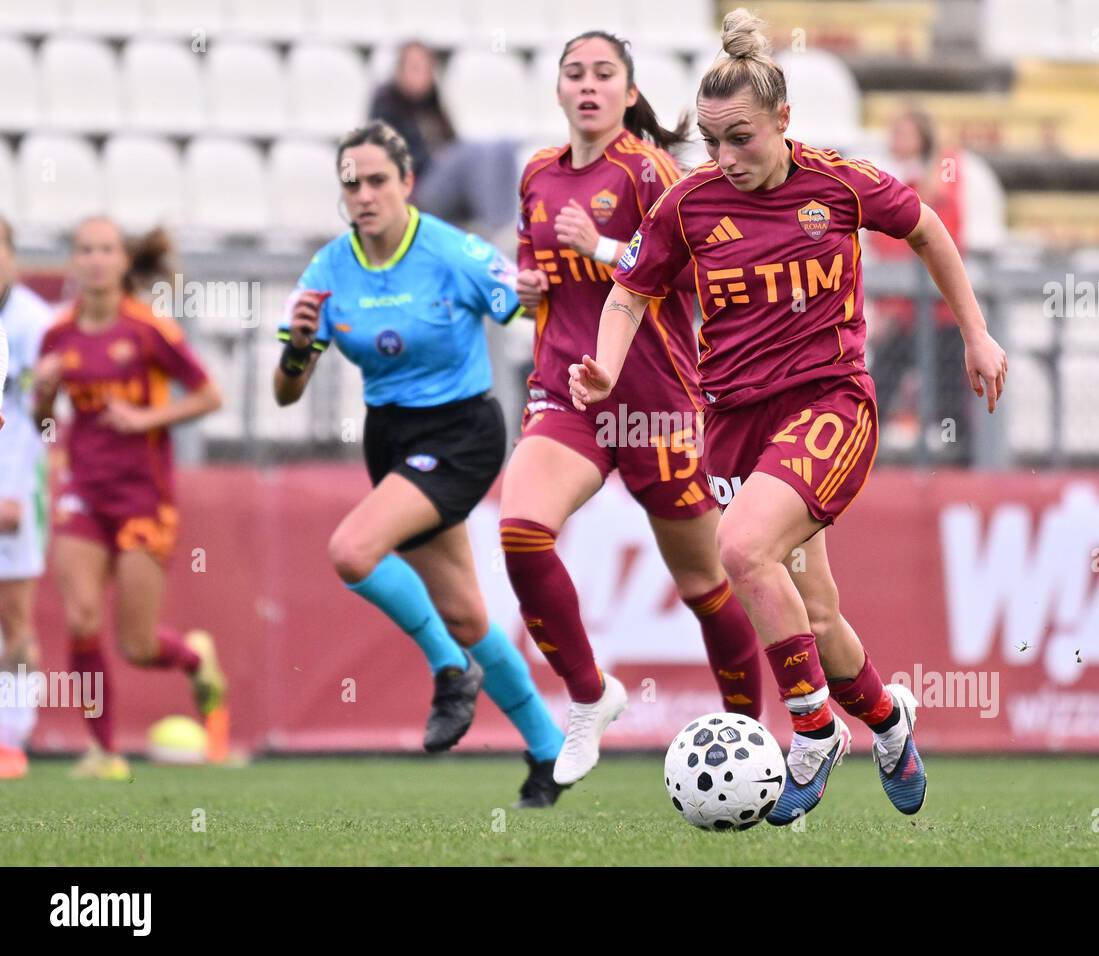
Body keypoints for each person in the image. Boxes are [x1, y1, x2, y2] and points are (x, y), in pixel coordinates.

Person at [570, 9, 1008, 823]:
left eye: (740, 138)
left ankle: (809, 729)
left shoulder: (839, 184)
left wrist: (976, 333)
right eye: (709, 141)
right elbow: (631, 290)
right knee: (816, 614)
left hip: (829, 403)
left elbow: (929, 230)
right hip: (735, 421)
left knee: (740, 549)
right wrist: (605, 362)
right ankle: (885, 720)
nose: (723, 158)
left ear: (783, 120)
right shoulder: (690, 206)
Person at [273, 120, 566, 807]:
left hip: (462, 432)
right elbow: (287, 392)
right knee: (466, 612)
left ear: (407, 183)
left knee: (351, 550)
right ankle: (550, 751)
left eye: (378, 180)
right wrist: (298, 349)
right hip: (392, 440)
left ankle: (447, 670)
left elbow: (523, 301)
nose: (364, 194)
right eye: (352, 183)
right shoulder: (326, 270)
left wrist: (529, 294)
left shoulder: (450, 250)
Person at [501, 30, 764, 787]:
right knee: (521, 531)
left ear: (628, 91)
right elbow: (538, 278)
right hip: (569, 392)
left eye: (603, 73)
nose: (588, 85)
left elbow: (698, 280)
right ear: (557, 90)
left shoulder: (649, 173)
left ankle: (749, 740)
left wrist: (610, 248)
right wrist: (525, 293)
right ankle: (590, 696)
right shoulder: (537, 177)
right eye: (574, 73)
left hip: (655, 402)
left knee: (707, 587)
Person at [32, 220, 228, 781]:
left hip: (144, 495)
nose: (95, 260)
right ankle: (104, 751)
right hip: (82, 492)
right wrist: (44, 395)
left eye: (105, 250)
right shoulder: (57, 335)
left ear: (122, 262)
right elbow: (42, 426)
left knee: (137, 645)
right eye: (85, 249)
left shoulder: (148, 330)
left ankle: (192, 657)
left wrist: (146, 417)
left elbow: (210, 395)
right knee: (80, 618)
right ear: (73, 262)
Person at [866, 106, 971, 461]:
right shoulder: (893, 179)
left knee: (949, 399)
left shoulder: (941, 174)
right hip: (906, 314)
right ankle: (862, 460)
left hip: (935, 314)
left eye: (904, 132)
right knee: (877, 389)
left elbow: (945, 239)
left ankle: (958, 463)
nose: (895, 139)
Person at [369, 41, 518, 230]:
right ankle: (495, 227)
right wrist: (435, 158)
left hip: (442, 183)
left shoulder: (432, 104)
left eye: (426, 68)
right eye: (415, 68)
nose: (422, 74)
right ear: (400, 70)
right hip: (417, 189)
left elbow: (451, 141)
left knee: (504, 146)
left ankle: (506, 226)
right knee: (472, 151)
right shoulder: (387, 105)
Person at [0, 216, 47, 779]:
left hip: (14, 487)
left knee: (14, 616)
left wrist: (14, 490)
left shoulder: (36, 325)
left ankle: (11, 736)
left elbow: (42, 421)